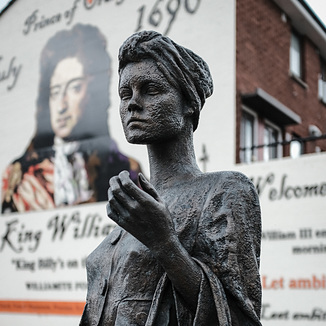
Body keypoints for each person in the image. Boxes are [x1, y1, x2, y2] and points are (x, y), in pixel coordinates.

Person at [81, 31, 262, 325]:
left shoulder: (224, 190)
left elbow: (239, 319)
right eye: (125, 94)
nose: (133, 104)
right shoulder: (135, 209)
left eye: (150, 89)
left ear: (189, 102)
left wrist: (165, 244)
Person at [1, 24, 141, 214]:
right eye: (55, 92)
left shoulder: (125, 170)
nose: (61, 104)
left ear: (92, 94)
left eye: (74, 88)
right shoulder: (20, 176)